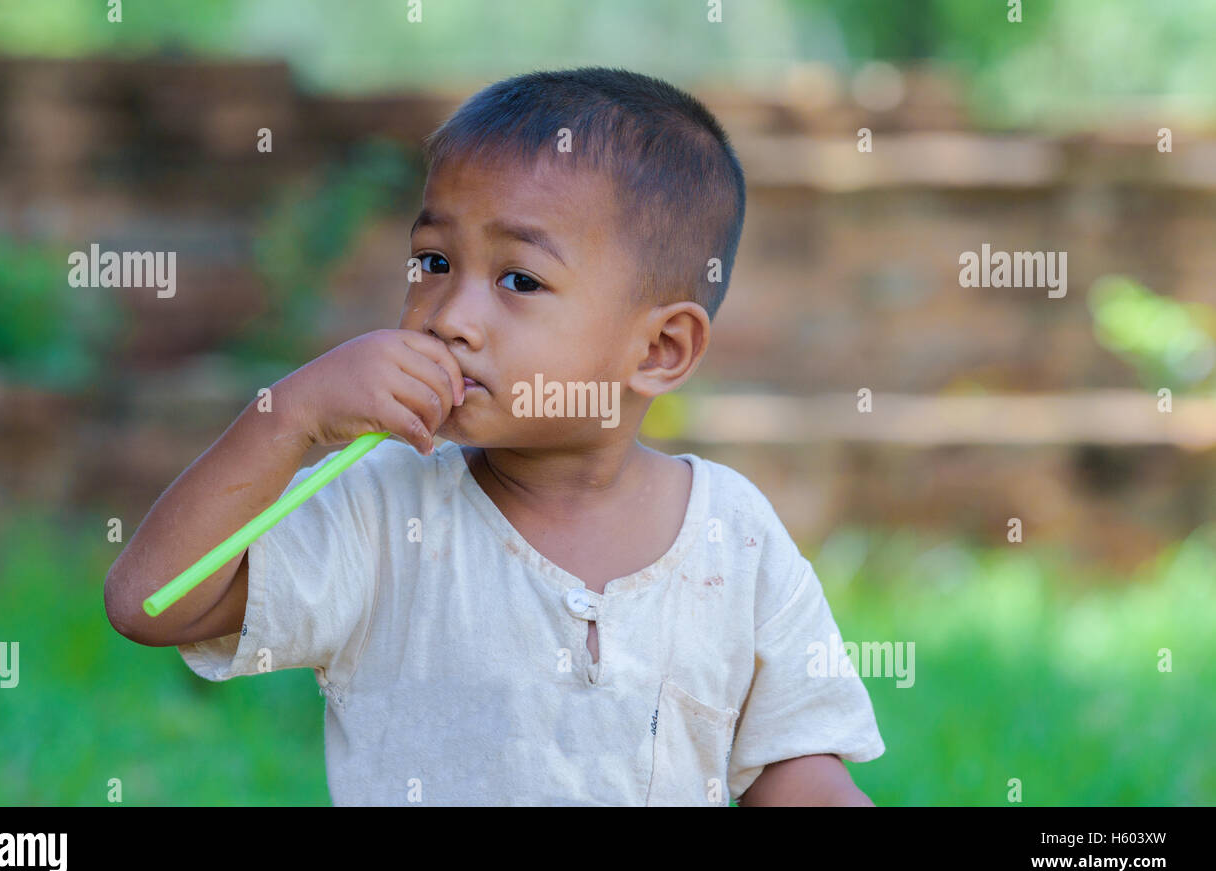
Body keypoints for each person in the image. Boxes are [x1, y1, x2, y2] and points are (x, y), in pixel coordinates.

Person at [104, 66, 885, 806]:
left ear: (659, 350)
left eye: (519, 279)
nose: (449, 316)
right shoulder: (383, 512)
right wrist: (291, 413)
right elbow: (150, 604)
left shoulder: (735, 537)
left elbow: (799, 776)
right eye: (433, 261)